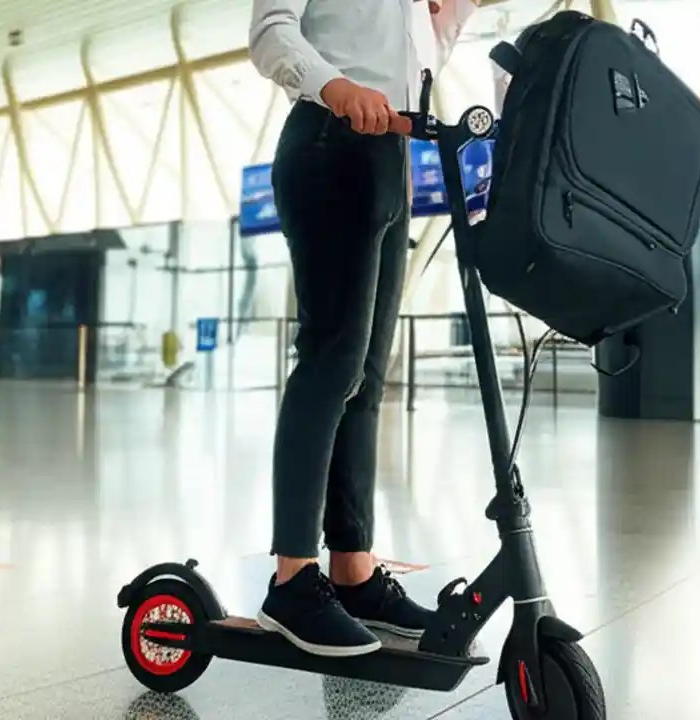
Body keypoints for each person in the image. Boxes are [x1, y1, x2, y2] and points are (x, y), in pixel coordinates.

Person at [248, 0, 478, 657]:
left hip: (390, 157)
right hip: (329, 139)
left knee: (366, 379)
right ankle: (292, 577)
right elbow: (270, 32)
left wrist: (453, 9)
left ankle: (353, 570)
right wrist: (338, 87)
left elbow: (418, 66)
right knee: (329, 362)